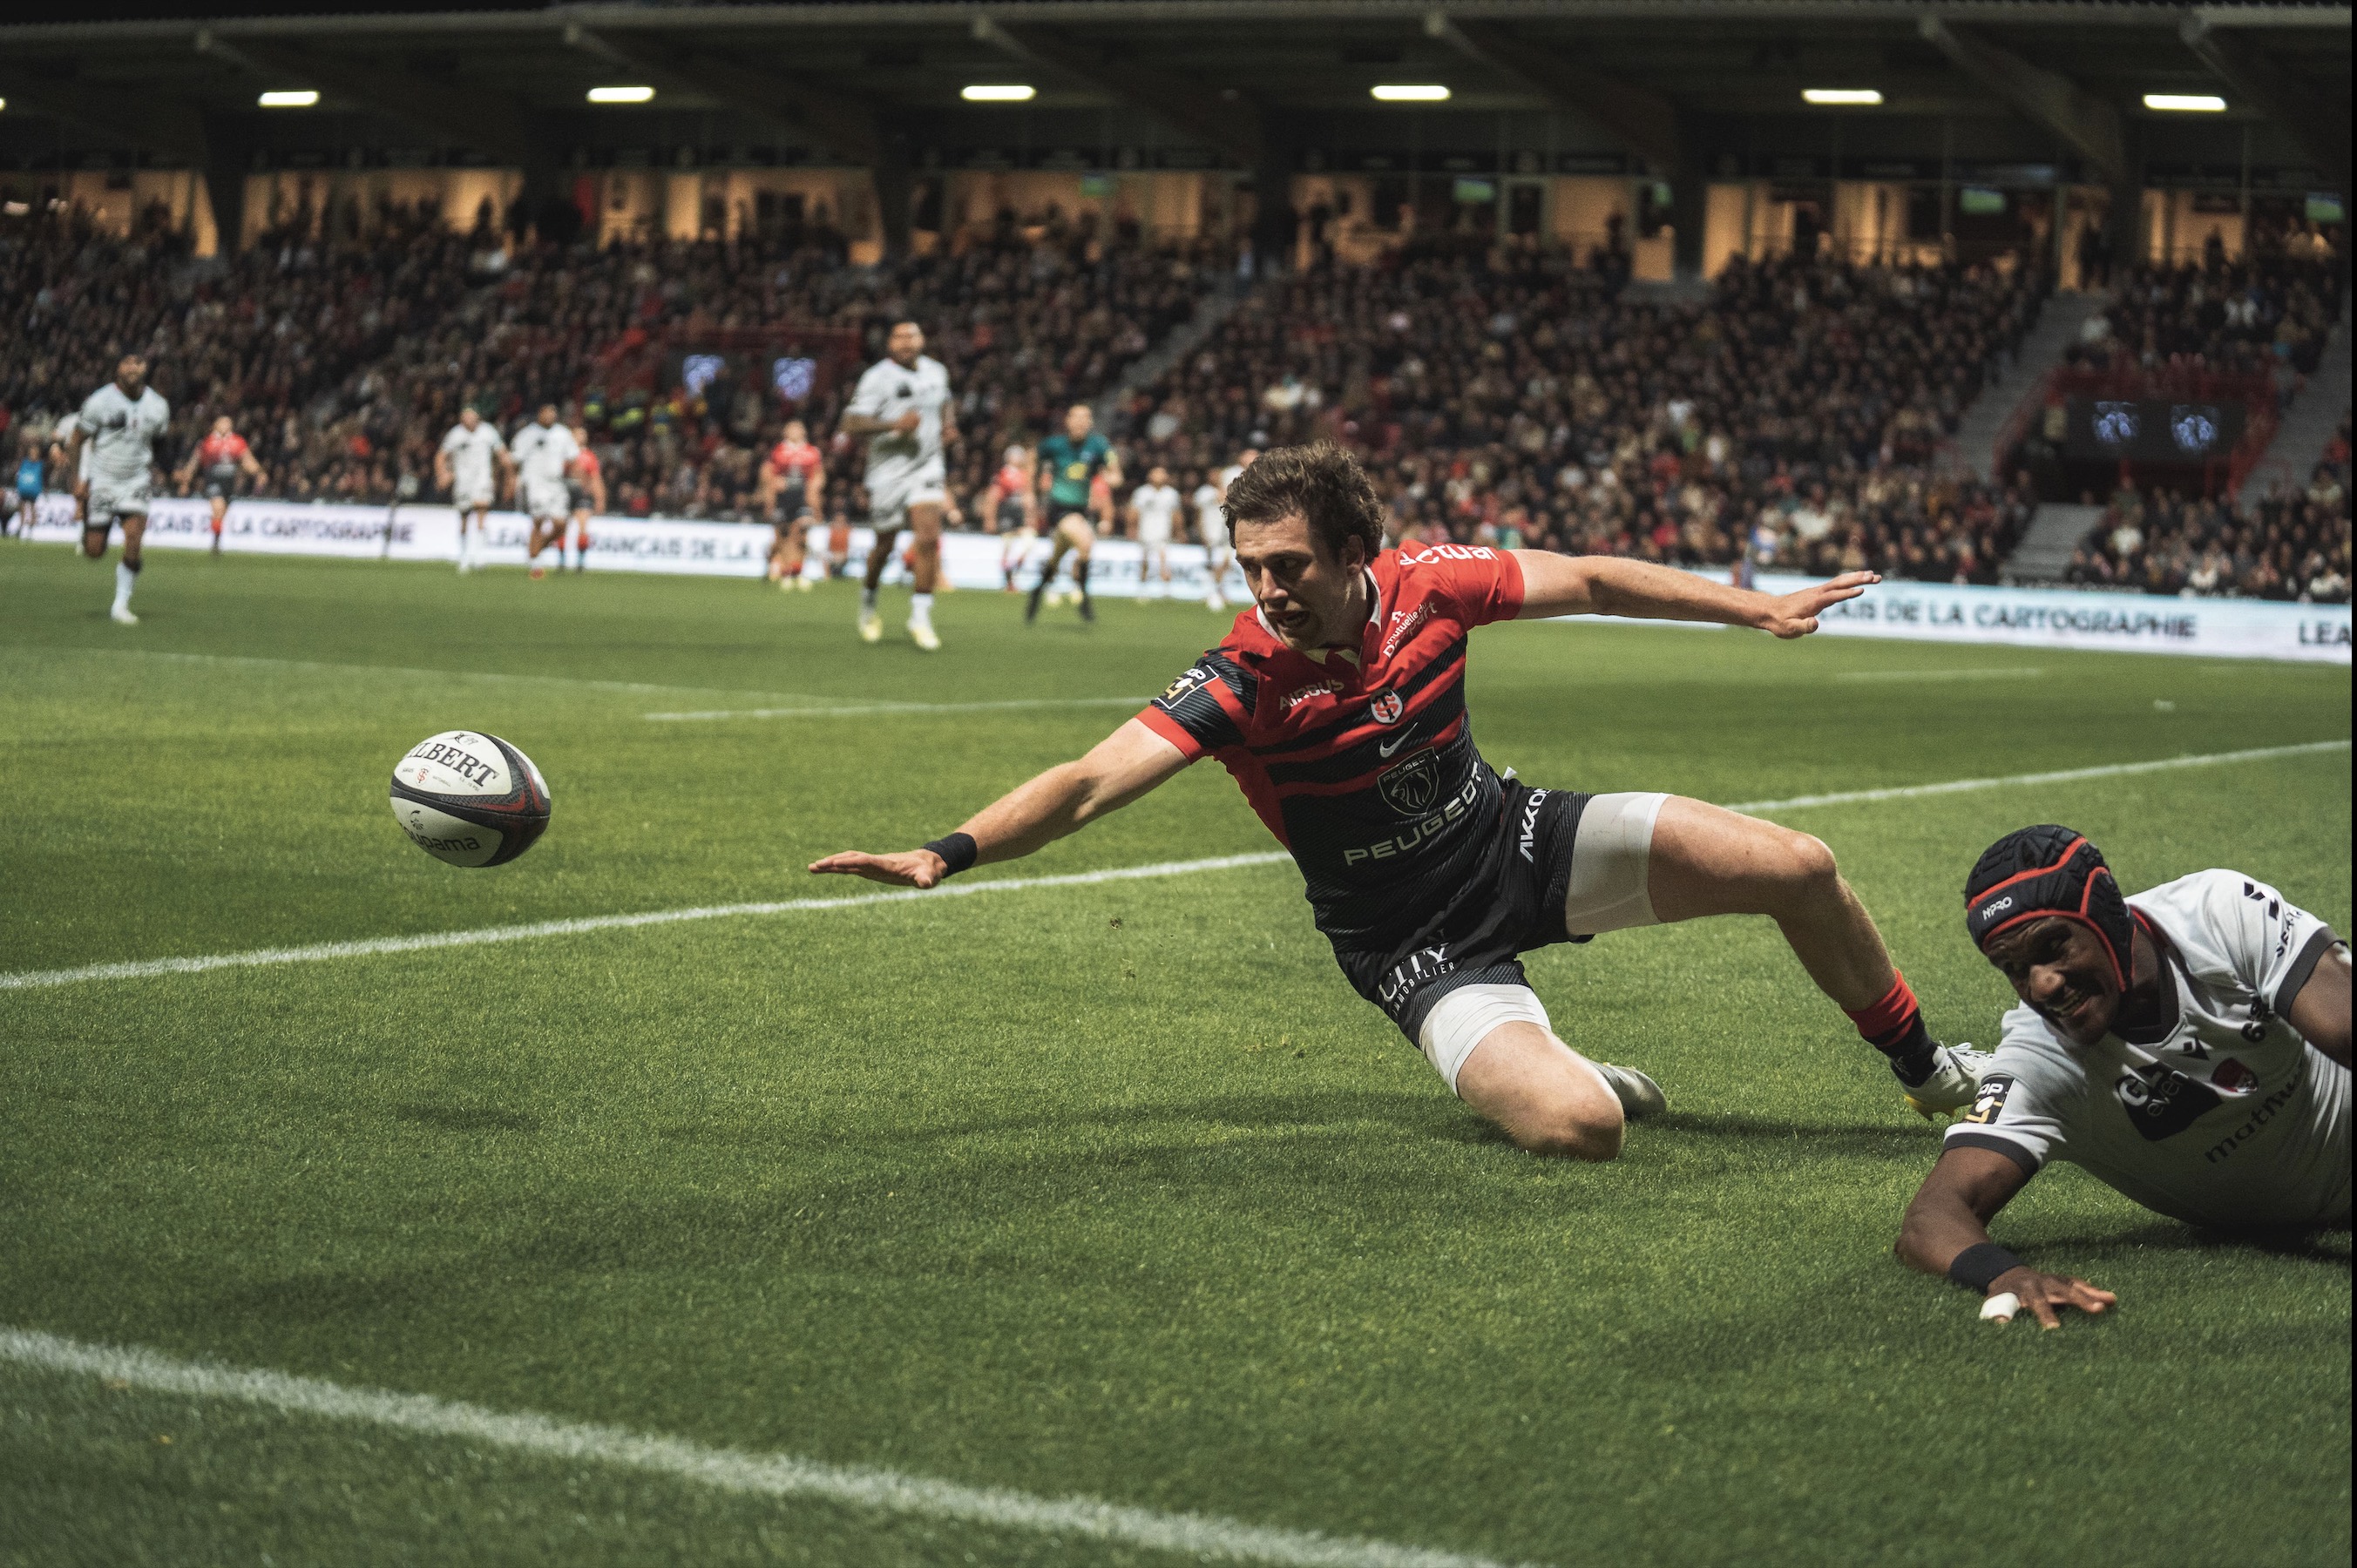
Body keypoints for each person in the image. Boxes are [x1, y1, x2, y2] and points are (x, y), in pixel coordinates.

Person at [812, 443, 1985, 1160]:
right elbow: (1087, 783)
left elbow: (1584, 577)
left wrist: (1755, 608)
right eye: (1250, 567)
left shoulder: (1431, 586)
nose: (1266, 592)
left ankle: (1930, 1075)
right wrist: (946, 853)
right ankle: (1575, 1071)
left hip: (1515, 842)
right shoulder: (1241, 680)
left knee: (1797, 864)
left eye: (1289, 567)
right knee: (1585, 1133)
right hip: (1410, 942)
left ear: (1353, 550)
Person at [1895, 827, 2350, 1328]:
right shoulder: (2041, 1061)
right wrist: (2004, 1274)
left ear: (2109, 919)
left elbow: (2345, 1027)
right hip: (2287, 1218)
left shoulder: (2218, 915)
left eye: (2053, 945)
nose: (2042, 983)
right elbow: (1930, 1219)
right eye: (2013, 967)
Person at [842, 321, 957, 651]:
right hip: (887, 472)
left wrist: (949, 426)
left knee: (928, 537)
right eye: (898, 337)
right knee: (884, 544)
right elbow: (849, 422)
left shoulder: (937, 371)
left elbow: (946, 402)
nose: (906, 342)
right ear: (890, 344)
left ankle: (920, 617)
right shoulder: (877, 377)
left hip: (927, 465)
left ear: (922, 340)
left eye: (912, 336)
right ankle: (868, 601)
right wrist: (893, 424)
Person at [65, 353, 170, 625]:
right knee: (94, 551)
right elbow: (76, 441)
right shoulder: (99, 402)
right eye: (127, 362)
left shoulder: (158, 406)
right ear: (117, 369)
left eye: (139, 362)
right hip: (103, 481)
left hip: (136, 481)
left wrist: (170, 471)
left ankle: (120, 605)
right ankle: (90, 528)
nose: (133, 367)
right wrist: (77, 479)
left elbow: (161, 444)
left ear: (146, 368)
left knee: (134, 539)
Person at [1028, 403, 1120, 625]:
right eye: (1075, 417)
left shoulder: (1098, 445)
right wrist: (1030, 491)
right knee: (1086, 544)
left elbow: (1115, 471)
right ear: (1067, 421)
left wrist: (1113, 478)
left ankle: (1037, 591)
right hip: (1058, 508)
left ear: (1090, 423)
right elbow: (1032, 459)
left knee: (1057, 556)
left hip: (1080, 510)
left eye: (1085, 418)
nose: (1080, 422)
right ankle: (1085, 599)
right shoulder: (1054, 444)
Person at [177, 415, 267, 556]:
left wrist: (259, 473)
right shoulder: (207, 442)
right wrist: (185, 482)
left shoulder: (237, 442)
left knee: (221, 513)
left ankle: (216, 539)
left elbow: (247, 460)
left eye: (228, 423)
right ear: (215, 425)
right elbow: (194, 462)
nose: (226, 425)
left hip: (229, 484)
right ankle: (216, 545)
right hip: (213, 481)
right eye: (223, 422)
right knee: (218, 509)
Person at [436, 407, 511, 575]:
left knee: (482, 509)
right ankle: (464, 555)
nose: (469, 420)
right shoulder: (455, 434)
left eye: (472, 417)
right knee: (464, 516)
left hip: (482, 479)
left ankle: (479, 555)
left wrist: (508, 472)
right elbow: (441, 455)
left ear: (478, 417)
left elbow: (501, 452)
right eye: (466, 417)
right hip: (463, 481)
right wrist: (443, 474)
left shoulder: (488, 432)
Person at [756, 418, 827, 591]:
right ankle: (784, 569)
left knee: (801, 533)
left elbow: (819, 475)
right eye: (792, 428)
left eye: (799, 428)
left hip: (802, 498)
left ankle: (798, 572)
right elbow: (766, 474)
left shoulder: (812, 452)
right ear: (786, 433)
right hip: (783, 498)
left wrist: (816, 495)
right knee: (782, 536)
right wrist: (771, 493)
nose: (796, 431)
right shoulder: (778, 451)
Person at [511, 404, 580, 581]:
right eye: (547, 412)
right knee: (539, 521)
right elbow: (516, 459)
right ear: (540, 414)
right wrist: (515, 481)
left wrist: (575, 477)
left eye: (553, 412)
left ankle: (536, 551)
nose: (550, 415)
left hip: (557, 484)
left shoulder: (563, 433)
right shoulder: (527, 434)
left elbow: (572, 457)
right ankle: (536, 566)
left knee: (561, 525)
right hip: (536, 483)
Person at [1195, 449, 1250, 611]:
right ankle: (1213, 592)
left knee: (1224, 561)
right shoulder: (1205, 493)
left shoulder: (1228, 494)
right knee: (1213, 563)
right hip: (1212, 532)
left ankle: (1216, 591)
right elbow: (1199, 515)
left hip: (1225, 533)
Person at [1129, 463, 1183, 598]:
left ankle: (1166, 588)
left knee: (1164, 559)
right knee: (1144, 560)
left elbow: (1176, 514)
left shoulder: (1171, 494)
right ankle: (1142, 587)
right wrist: (1131, 528)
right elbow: (1134, 512)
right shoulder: (1142, 492)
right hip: (1145, 531)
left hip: (1163, 532)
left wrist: (1179, 531)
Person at [564, 423, 605, 572]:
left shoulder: (589, 456)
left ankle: (580, 563)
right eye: (578, 434)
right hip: (565, 492)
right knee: (562, 526)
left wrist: (600, 498)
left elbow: (595, 478)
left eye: (583, 434)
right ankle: (561, 561)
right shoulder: (564, 454)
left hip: (582, 494)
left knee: (582, 527)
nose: (582, 437)